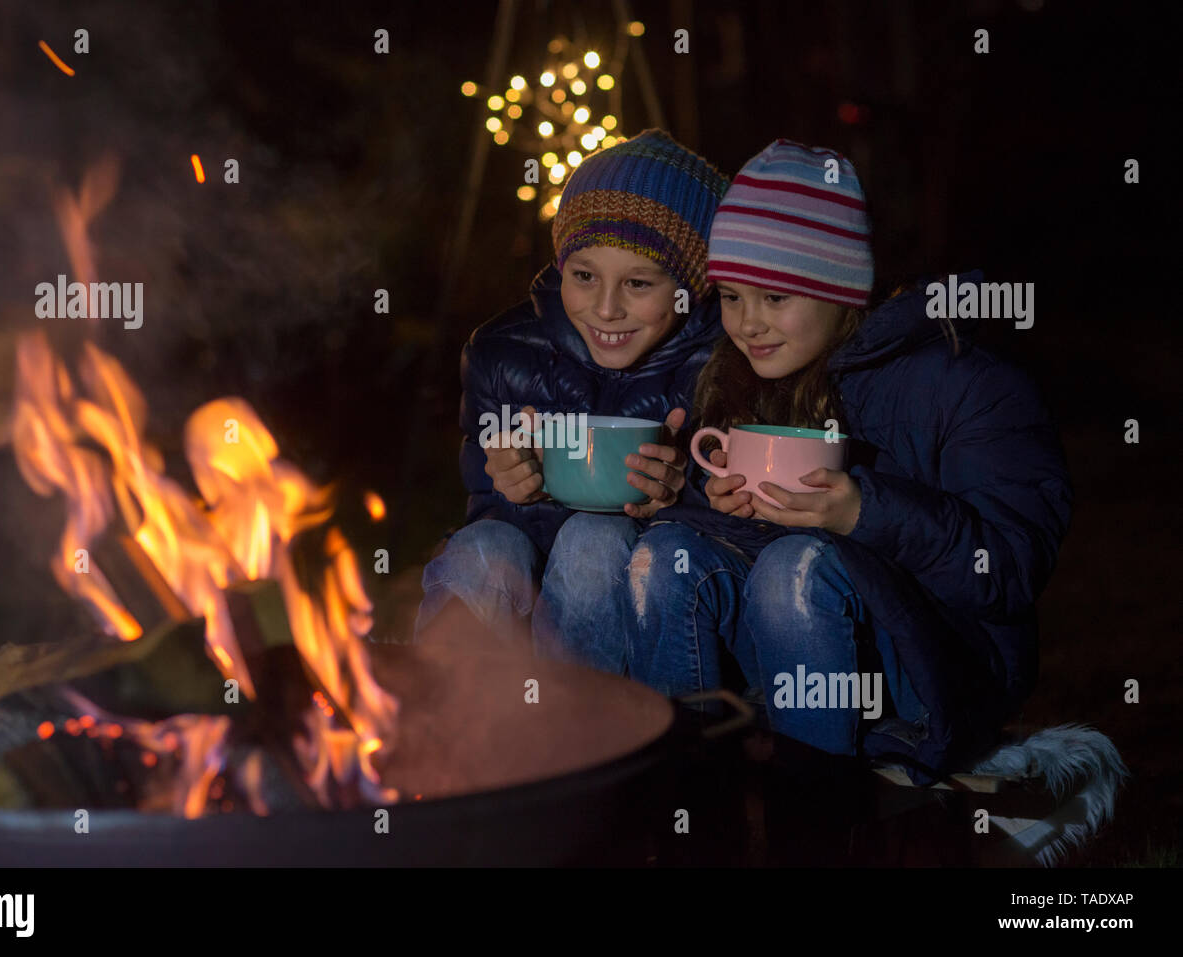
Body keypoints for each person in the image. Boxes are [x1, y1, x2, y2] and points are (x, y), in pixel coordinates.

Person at [616, 139, 1073, 783]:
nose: (747, 325)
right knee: (662, 556)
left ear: (841, 290)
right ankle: (685, 809)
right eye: (733, 297)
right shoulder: (742, 372)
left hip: (937, 670)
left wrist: (864, 510)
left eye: (775, 298)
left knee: (793, 567)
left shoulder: (966, 382)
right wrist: (716, 508)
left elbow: (1007, 569)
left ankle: (815, 825)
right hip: (799, 645)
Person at [414, 130, 729, 659]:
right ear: (561, 265)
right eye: (584, 275)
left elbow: (737, 537)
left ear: (690, 288)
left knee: (594, 540)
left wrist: (679, 496)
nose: (606, 309)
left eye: (638, 284)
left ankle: (576, 726)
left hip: (641, 601)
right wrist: (515, 486)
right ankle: (435, 717)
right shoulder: (502, 353)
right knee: (478, 548)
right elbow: (489, 512)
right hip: (529, 574)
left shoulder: (721, 367)